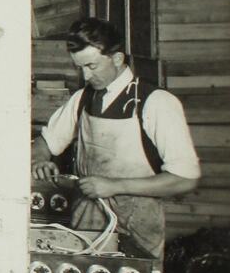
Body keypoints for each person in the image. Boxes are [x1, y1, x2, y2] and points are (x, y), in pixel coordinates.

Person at [31, 16, 200, 259]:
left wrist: (114, 186)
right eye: (79, 68)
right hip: (86, 221)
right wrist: (39, 160)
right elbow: (44, 143)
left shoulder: (156, 103)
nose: (86, 76)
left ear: (118, 59)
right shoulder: (82, 99)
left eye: (92, 66)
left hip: (137, 225)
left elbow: (185, 179)